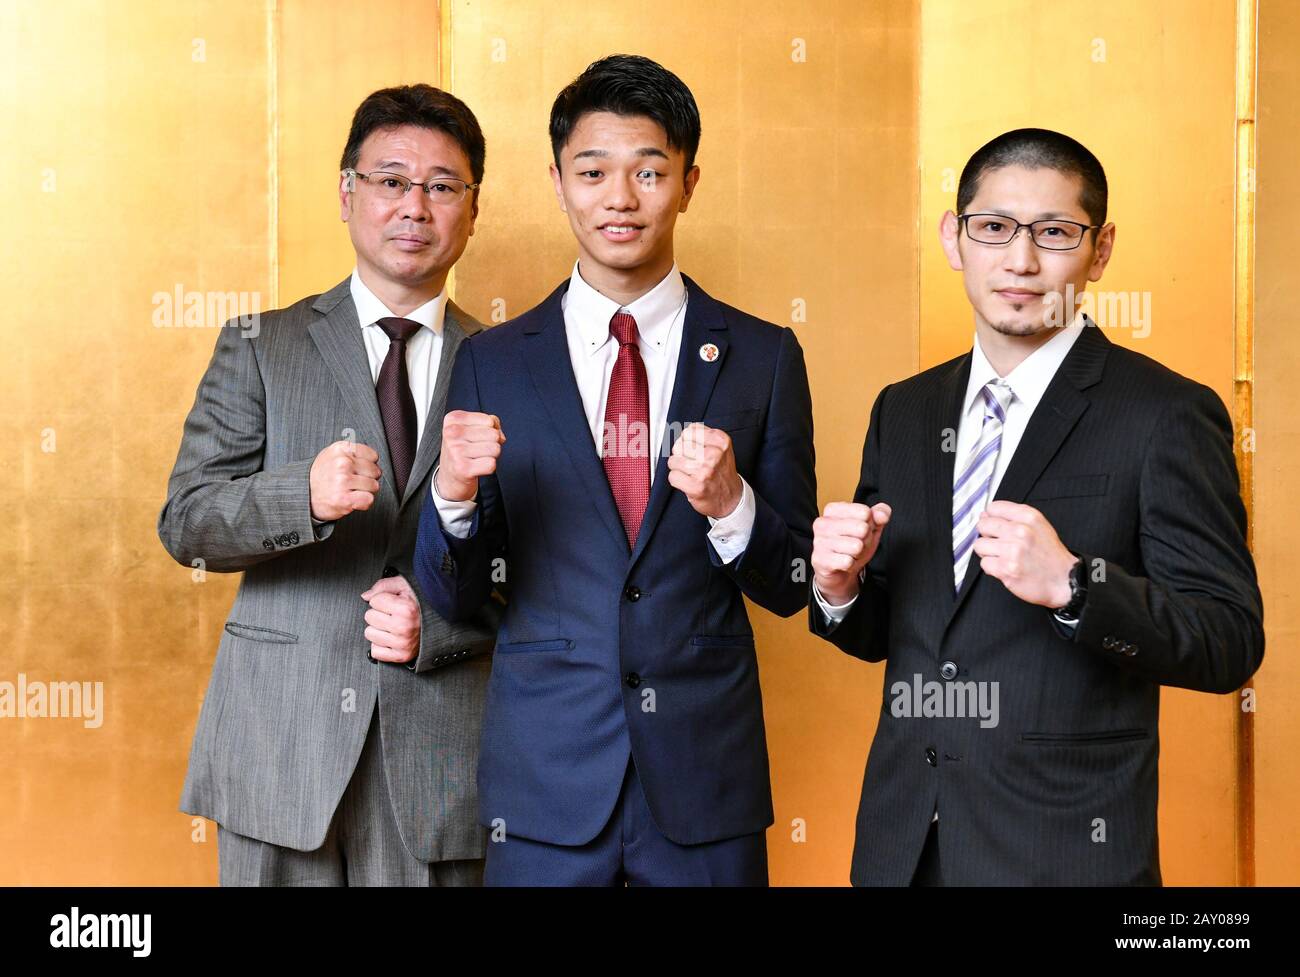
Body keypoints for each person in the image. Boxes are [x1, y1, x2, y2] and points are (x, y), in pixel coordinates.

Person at [809, 128, 1264, 886]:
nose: (1020, 261)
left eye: (1054, 233)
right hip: (903, 847)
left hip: (1064, 854)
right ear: (955, 238)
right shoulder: (908, 410)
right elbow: (901, 632)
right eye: (994, 228)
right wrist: (840, 587)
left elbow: (1229, 639)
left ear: (1101, 247)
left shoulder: (1165, 414)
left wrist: (1078, 586)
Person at [413, 54, 817, 885]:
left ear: (689, 181)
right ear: (559, 182)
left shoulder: (764, 357)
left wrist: (732, 504)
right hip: (545, 785)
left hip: (706, 785)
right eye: (593, 171)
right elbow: (455, 596)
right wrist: (452, 498)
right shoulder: (494, 360)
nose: (620, 198)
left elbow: (794, 583)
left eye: (649, 171)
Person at [158, 84, 500, 886]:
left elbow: (549, 568)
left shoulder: (510, 365)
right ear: (347, 194)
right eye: (390, 180)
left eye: (442, 186)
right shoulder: (260, 344)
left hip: (440, 758)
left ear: (473, 211)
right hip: (279, 745)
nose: (415, 206)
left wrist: (441, 630)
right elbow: (186, 521)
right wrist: (298, 496)